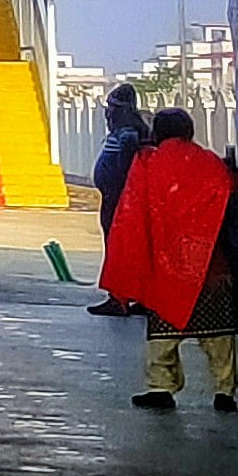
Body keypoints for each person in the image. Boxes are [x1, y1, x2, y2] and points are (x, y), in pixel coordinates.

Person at [100, 110, 238, 412]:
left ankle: (161, 387)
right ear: (189, 130)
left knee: (162, 336)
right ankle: (224, 391)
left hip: (166, 265)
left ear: (158, 132)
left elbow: (133, 213)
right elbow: (233, 203)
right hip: (210, 263)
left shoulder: (149, 164)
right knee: (218, 335)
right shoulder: (211, 162)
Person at [87, 83, 150, 315]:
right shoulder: (122, 132)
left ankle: (119, 297)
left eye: (111, 108)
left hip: (120, 202)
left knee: (118, 249)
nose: (107, 113)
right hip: (114, 199)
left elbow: (127, 168)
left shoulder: (128, 134)